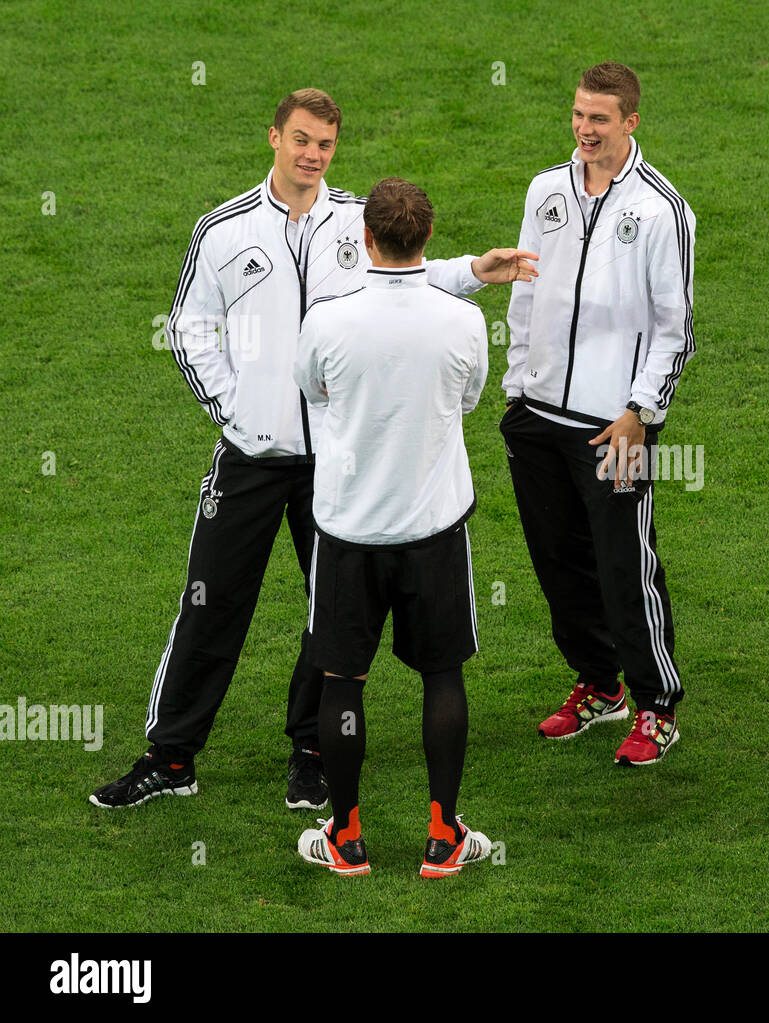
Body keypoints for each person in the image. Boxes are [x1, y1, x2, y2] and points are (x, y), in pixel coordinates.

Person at [90, 89, 535, 811]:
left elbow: (407, 276)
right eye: (300, 139)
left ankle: (310, 751)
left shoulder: (353, 225)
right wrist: (237, 409)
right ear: (273, 136)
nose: (311, 155)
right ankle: (172, 756)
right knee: (209, 600)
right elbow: (190, 328)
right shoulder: (224, 230)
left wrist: (472, 272)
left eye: (324, 145)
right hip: (250, 454)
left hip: (336, 462)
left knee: (325, 615)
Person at [292, 177, 491, 878]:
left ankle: (346, 836)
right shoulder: (463, 320)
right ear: (428, 238)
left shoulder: (327, 319)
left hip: (347, 532)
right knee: (442, 674)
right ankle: (443, 835)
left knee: (343, 678)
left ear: (365, 240)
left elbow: (310, 387)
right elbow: (468, 397)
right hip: (433, 528)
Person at [500, 62, 696, 766]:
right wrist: (516, 386)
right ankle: (598, 682)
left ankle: (656, 703)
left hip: (617, 422)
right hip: (538, 413)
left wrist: (641, 411)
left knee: (624, 561)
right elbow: (525, 290)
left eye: (600, 119)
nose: (586, 129)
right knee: (557, 561)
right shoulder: (545, 189)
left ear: (631, 122)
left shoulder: (661, 209)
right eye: (579, 116)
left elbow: (676, 327)